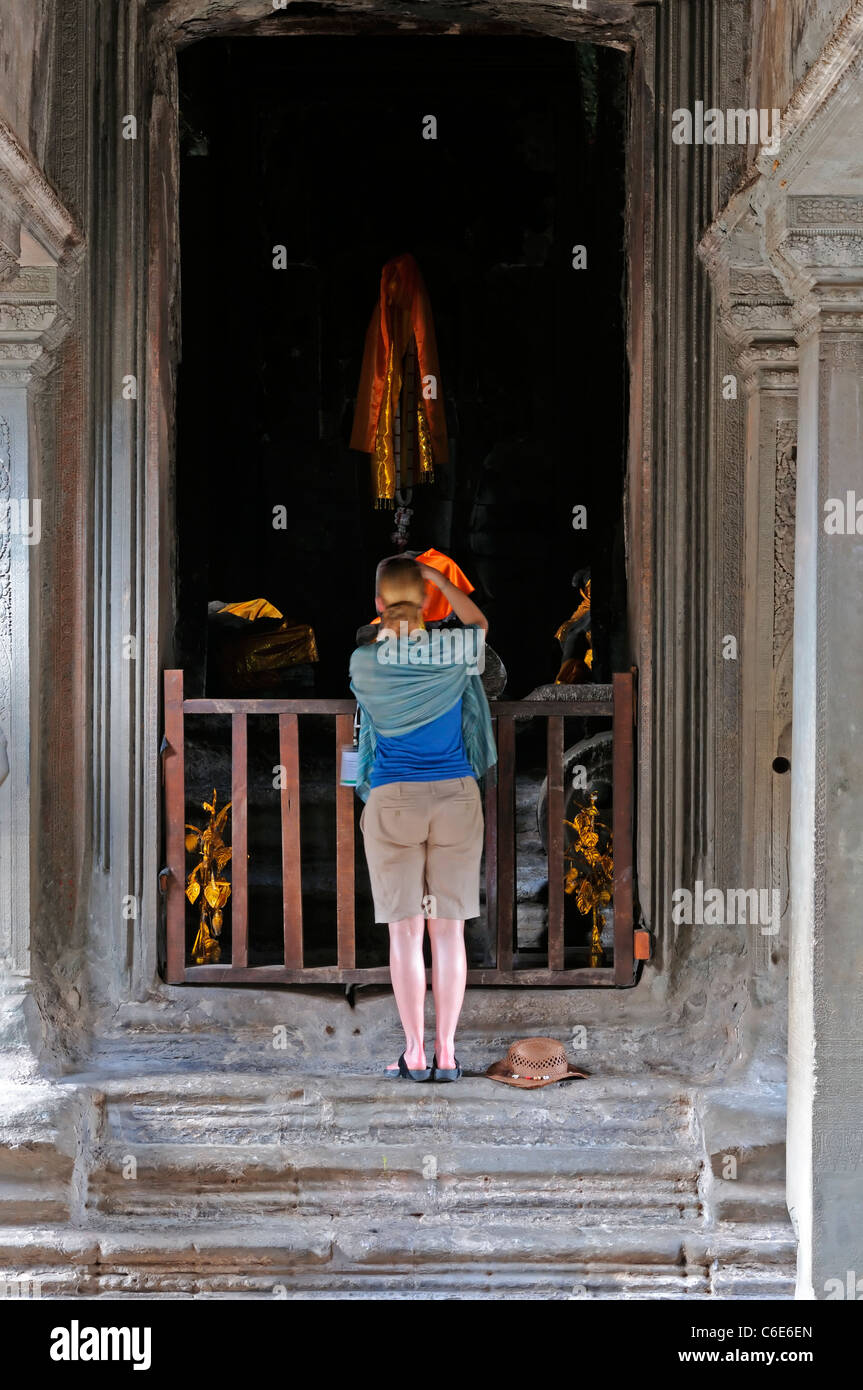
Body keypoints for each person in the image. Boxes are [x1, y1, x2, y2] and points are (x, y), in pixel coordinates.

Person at [349, 555, 497, 1082]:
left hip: (394, 802)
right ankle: (449, 1053)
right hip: (456, 797)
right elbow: (478, 624)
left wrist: (399, 605)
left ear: (378, 602)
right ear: (429, 598)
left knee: (406, 935)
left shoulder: (363, 662)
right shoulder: (453, 651)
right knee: (449, 933)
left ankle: (414, 1053)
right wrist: (437, 581)